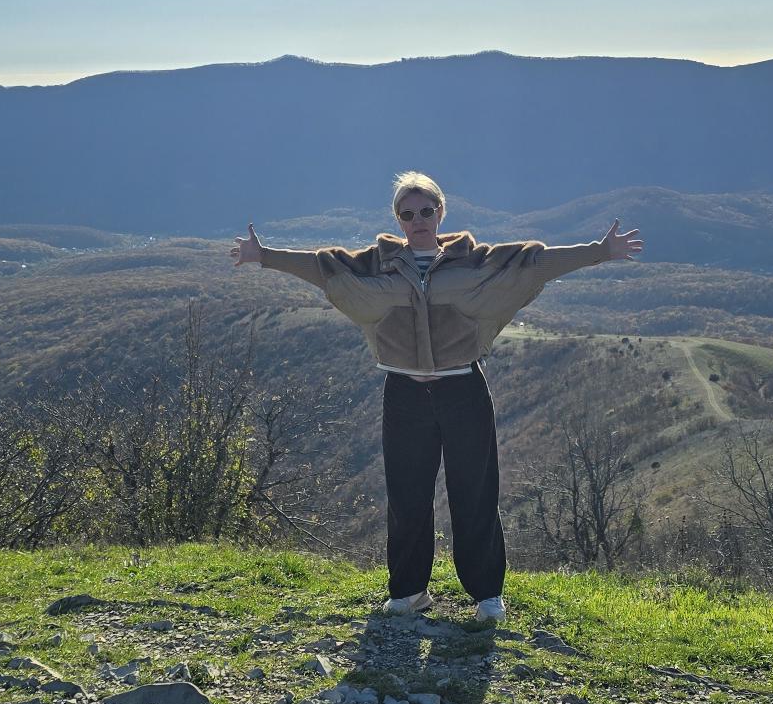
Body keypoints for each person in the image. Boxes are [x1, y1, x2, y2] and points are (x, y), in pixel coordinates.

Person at [232, 173, 642, 622]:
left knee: (475, 493)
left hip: (462, 388)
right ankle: (408, 591)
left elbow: (536, 263)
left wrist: (600, 252)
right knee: (406, 495)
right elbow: (322, 267)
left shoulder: (475, 260)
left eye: (426, 211)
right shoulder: (377, 262)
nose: (418, 220)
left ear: (440, 213)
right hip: (404, 392)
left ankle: (487, 595)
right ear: (398, 220)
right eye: (407, 214)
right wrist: (263, 256)